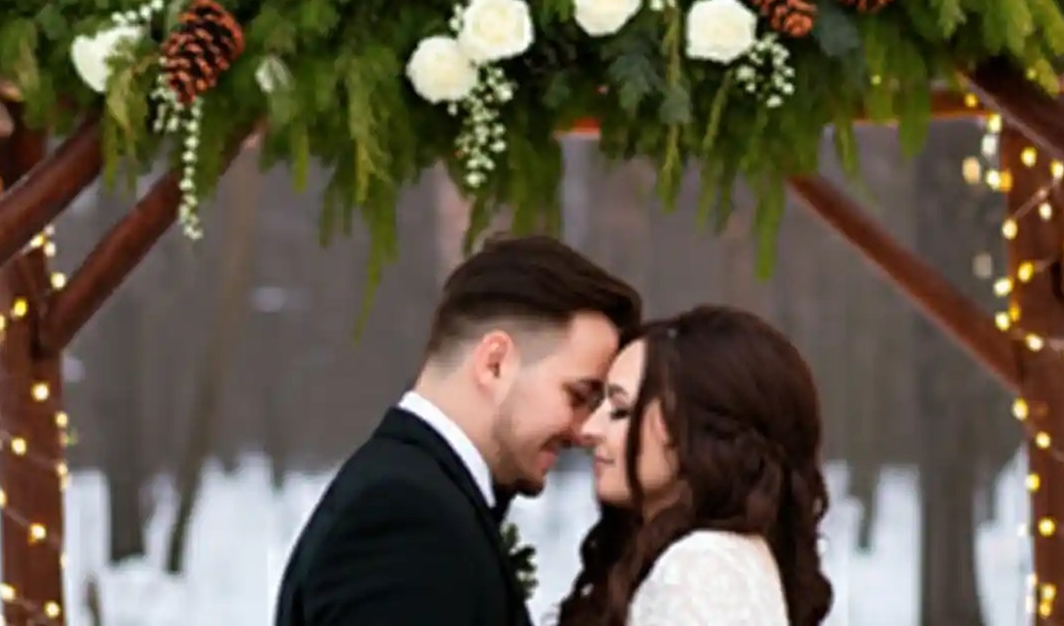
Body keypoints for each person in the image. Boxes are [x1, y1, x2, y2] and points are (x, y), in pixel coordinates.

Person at [274, 234, 642, 626]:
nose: (583, 431)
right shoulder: (405, 517)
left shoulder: (422, 495)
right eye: (578, 395)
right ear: (495, 363)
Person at [556, 305, 833, 626]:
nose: (589, 429)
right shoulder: (715, 559)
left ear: (692, 429)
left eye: (620, 409)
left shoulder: (705, 569)